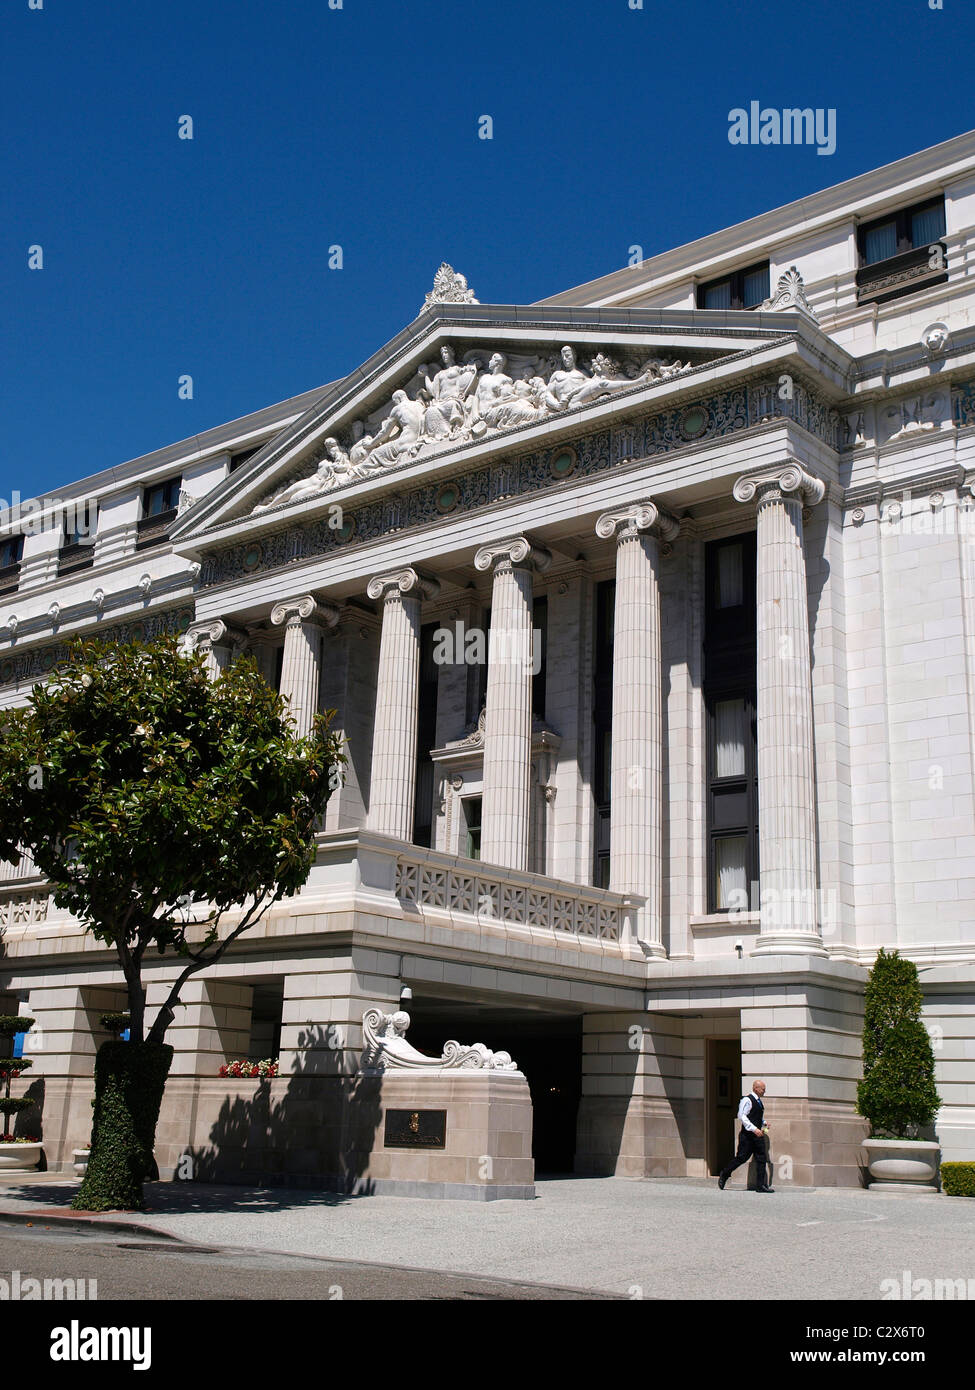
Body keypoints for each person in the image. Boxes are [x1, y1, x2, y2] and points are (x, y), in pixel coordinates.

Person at [718, 1079, 774, 1192]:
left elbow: (756, 1116)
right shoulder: (747, 1100)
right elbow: (742, 1116)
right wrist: (754, 1129)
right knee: (741, 1158)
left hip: (758, 1136)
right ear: (756, 1088)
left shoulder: (759, 1102)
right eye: (763, 1089)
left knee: (761, 1159)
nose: (764, 1091)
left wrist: (764, 1123)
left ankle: (760, 1186)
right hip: (748, 1136)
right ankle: (725, 1173)